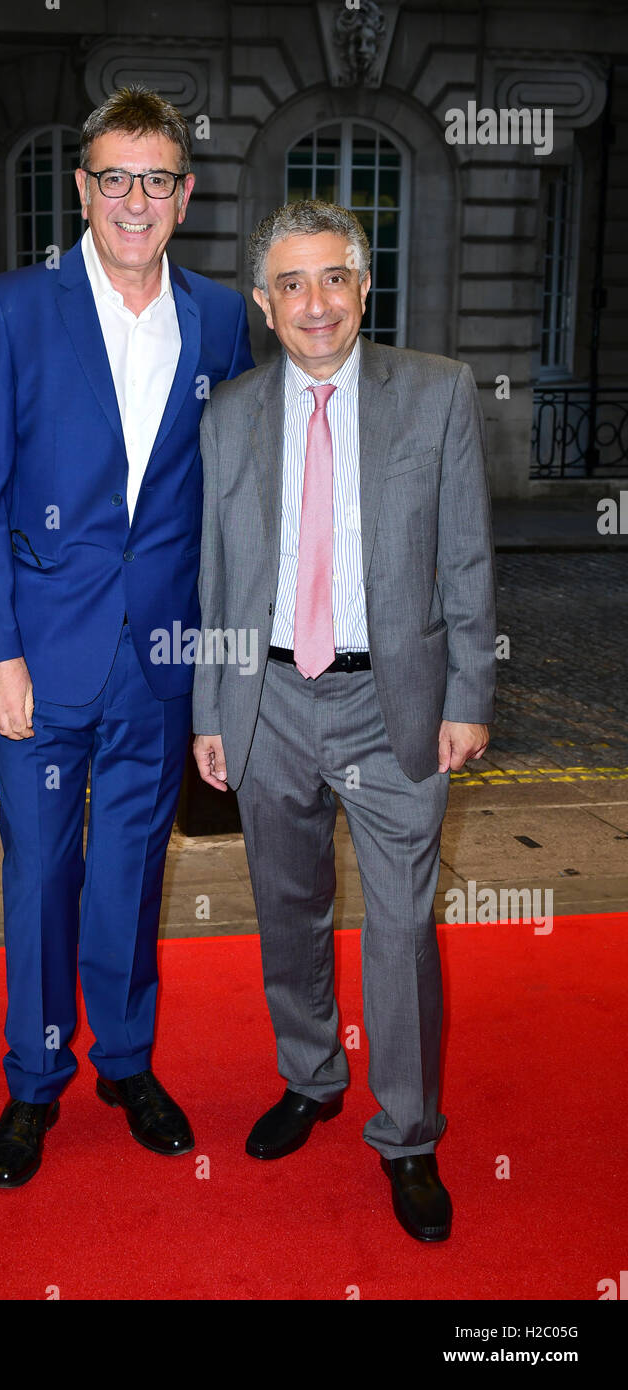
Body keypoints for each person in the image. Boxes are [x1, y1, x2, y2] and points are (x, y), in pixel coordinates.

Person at [0, 86, 253, 1189]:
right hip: (39, 652)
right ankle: (34, 1082)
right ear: (83, 189)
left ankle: (126, 1061)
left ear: (183, 193)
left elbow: (229, 505)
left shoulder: (222, 320)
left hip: (160, 658)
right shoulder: (14, 309)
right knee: (40, 871)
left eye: (156, 179)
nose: (134, 199)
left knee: (130, 872)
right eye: (113, 178)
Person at [192, 200, 496, 1242]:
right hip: (268, 699)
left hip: (389, 704)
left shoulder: (437, 394)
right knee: (288, 908)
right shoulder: (229, 414)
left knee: (403, 926)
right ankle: (310, 1076)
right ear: (262, 304)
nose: (313, 302)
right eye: (290, 284)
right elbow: (218, 581)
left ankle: (406, 1132)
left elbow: (463, 558)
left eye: (332, 279)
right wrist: (212, 709)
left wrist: (465, 697)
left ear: (364, 289)